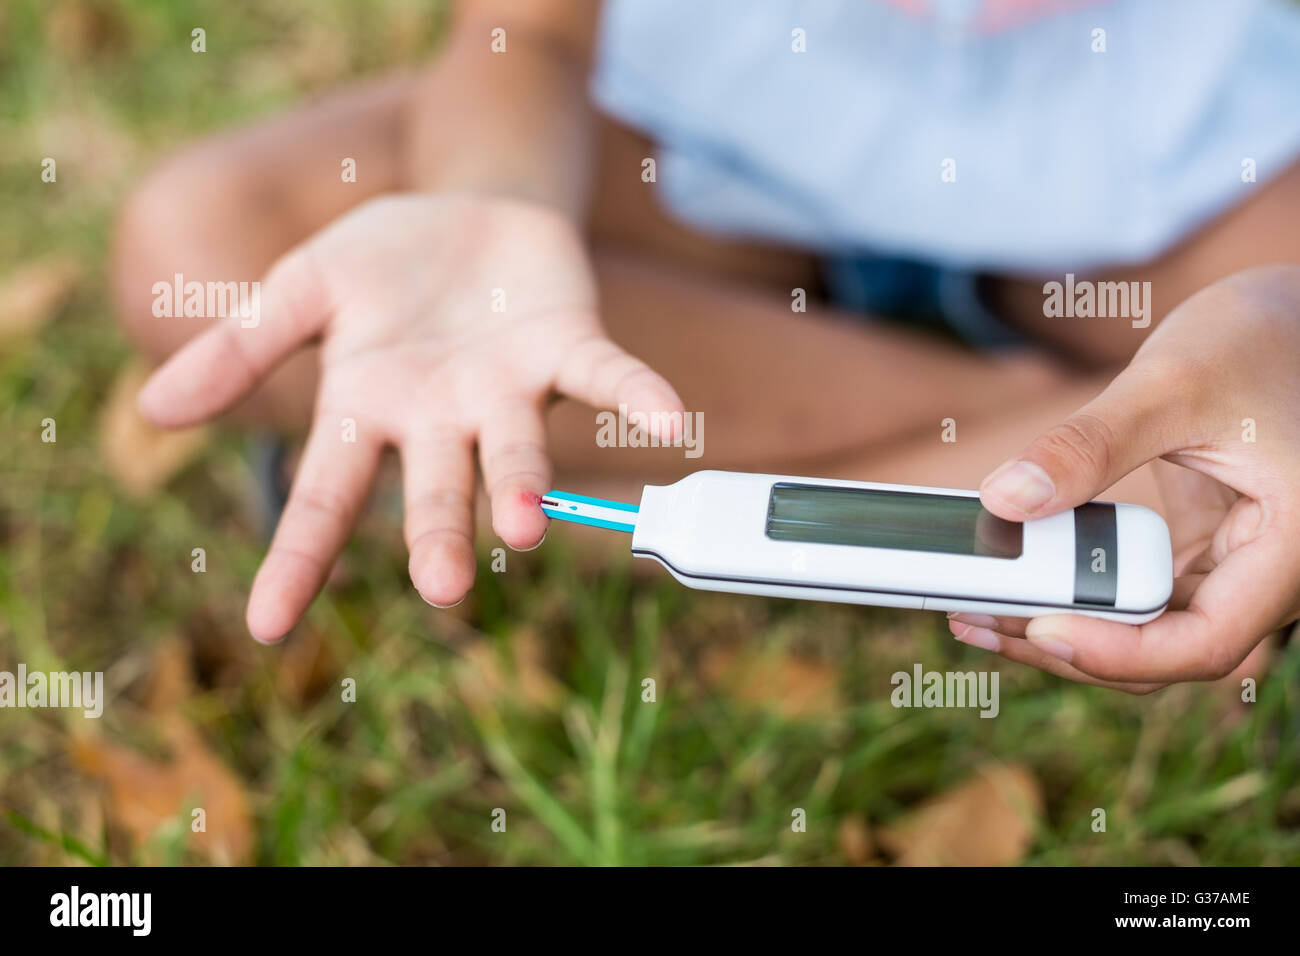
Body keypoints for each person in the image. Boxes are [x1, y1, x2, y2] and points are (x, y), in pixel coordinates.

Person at [112, 0, 1300, 692]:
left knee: (1238, 450)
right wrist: (490, 206)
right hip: (702, 152)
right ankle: (1030, 421)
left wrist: (1274, 329)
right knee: (202, 245)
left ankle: (557, 516)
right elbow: (522, 31)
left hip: (1187, 182)